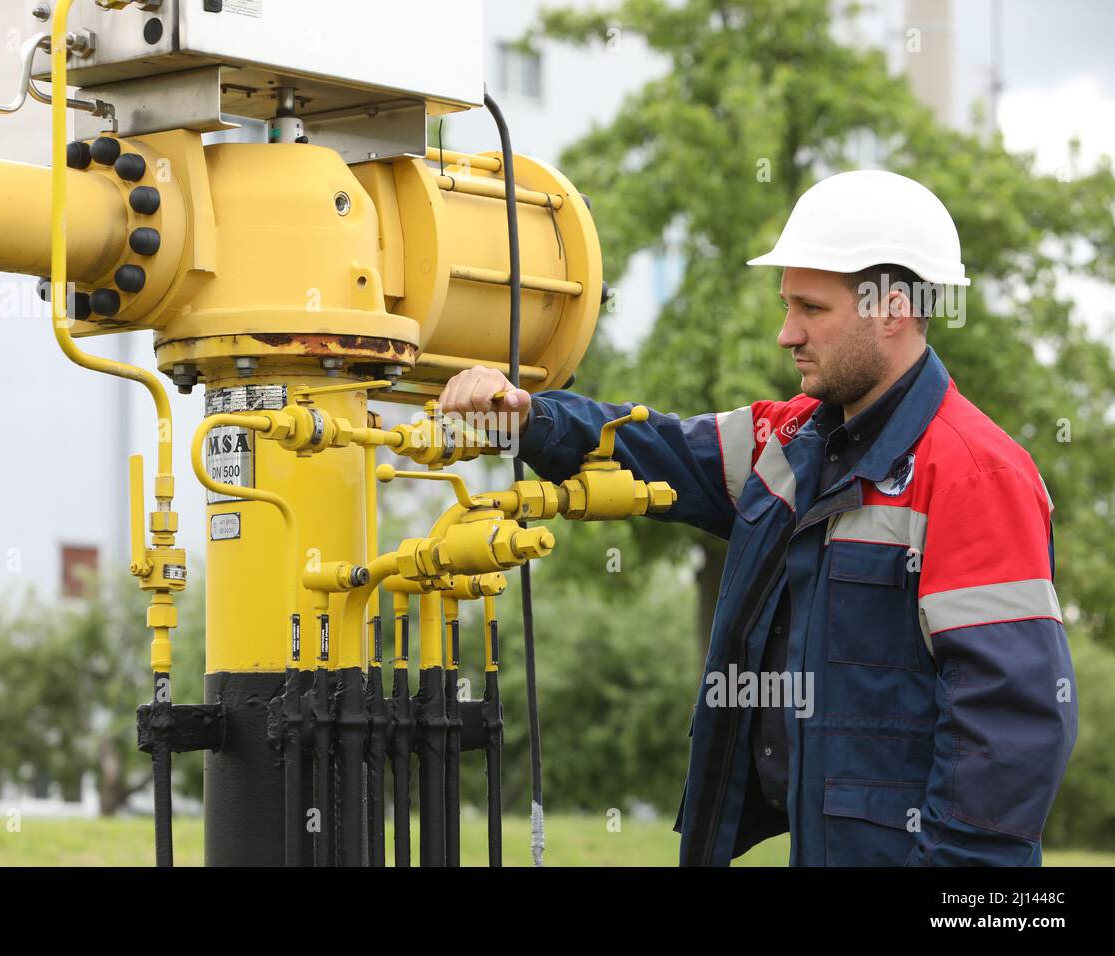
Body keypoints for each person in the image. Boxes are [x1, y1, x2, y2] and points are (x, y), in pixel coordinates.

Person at [438, 169, 1078, 866]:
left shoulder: (977, 475)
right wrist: (530, 416)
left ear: (893, 308)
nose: (786, 333)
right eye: (786, 306)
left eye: (811, 308)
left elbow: (1012, 727)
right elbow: (656, 450)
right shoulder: (790, 440)